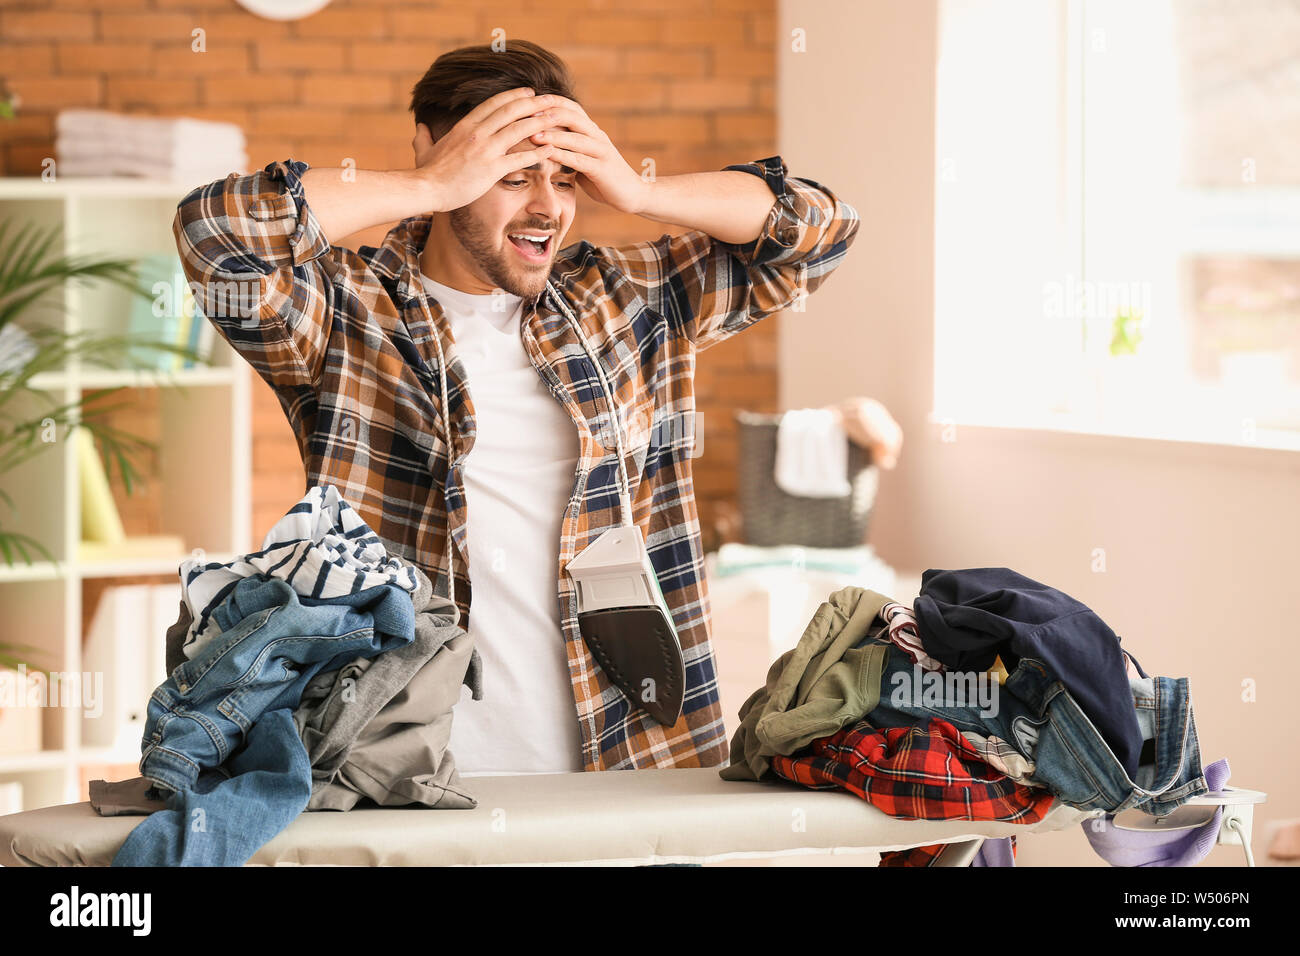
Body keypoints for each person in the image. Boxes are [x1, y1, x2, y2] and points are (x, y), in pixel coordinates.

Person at [173, 39, 862, 778]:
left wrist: (635, 190)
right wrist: (428, 184)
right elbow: (217, 237)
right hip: (403, 770)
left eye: (565, 180)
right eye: (512, 176)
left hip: (628, 760)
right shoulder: (342, 312)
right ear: (436, 156)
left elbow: (820, 232)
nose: (548, 208)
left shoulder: (624, 299)